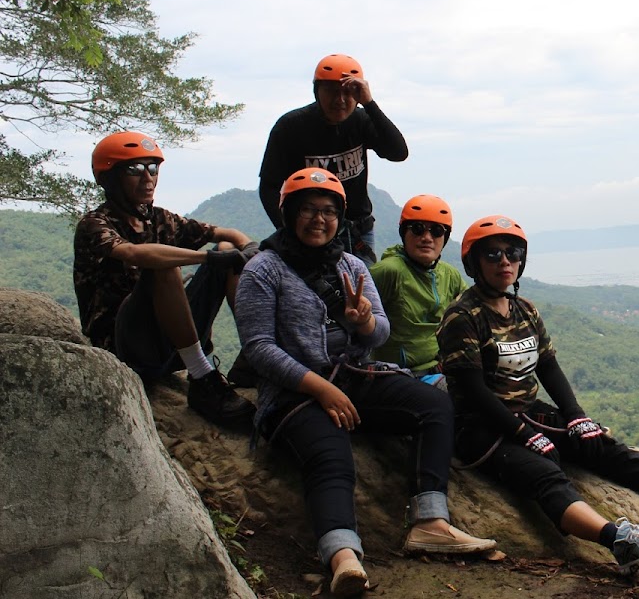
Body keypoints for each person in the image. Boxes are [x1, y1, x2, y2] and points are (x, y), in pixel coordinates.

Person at [437, 215, 639, 576]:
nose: (505, 261)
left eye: (512, 253)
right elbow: (473, 390)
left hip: (527, 411)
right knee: (544, 473)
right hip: (482, 427)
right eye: (493, 254)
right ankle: (618, 541)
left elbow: (548, 367)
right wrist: (524, 435)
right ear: (474, 263)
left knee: (600, 446)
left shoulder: (524, 309)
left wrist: (576, 416)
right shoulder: (463, 316)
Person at [235, 168, 494, 597]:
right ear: (288, 214)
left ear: (340, 217)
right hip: (294, 393)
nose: (319, 219)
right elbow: (259, 347)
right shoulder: (264, 270)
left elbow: (380, 333)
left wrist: (364, 321)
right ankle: (343, 558)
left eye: (329, 211)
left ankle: (430, 522)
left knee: (435, 406)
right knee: (331, 454)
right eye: (308, 210)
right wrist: (320, 389)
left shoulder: (351, 265)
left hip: (353, 377)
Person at [73, 130, 258, 427]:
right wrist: (206, 258)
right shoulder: (95, 224)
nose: (147, 178)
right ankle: (202, 378)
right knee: (164, 265)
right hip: (126, 347)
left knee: (227, 250)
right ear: (110, 178)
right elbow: (133, 252)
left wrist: (248, 248)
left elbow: (226, 234)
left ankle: (254, 354)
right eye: (134, 170)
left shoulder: (160, 219)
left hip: (169, 343)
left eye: (153, 168)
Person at [257, 53, 408, 266]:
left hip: (357, 231)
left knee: (362, 287)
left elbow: (398, 152)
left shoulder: (360, 121)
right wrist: (287, 231)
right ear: (317, 92)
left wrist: (370, 104)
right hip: (311, 231)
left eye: (349, 92)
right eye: (331, 91)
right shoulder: (291, 127)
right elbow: (269, 186)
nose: (340, 100)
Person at [368, 194, 465, 386]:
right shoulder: (389, 271)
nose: (427, 238)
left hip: (438, 370)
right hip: (397, 376)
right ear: (404, 233)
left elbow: (473, 309)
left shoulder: (449, 274)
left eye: (437, 231)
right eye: (418, 229)